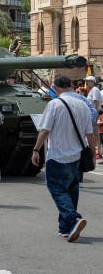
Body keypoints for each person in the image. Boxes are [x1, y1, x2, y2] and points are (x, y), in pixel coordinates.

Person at [31, 75, 97, 241]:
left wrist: (36, 149)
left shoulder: (54, 104)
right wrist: (93, 154)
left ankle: (73, 219)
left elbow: (44, 130)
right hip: (77, 156)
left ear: (55, 87)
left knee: (58, 190)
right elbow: (90, 134)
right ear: (71, 85)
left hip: (58, 154)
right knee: (72, 192)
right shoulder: (83, 105)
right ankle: (66, 228)